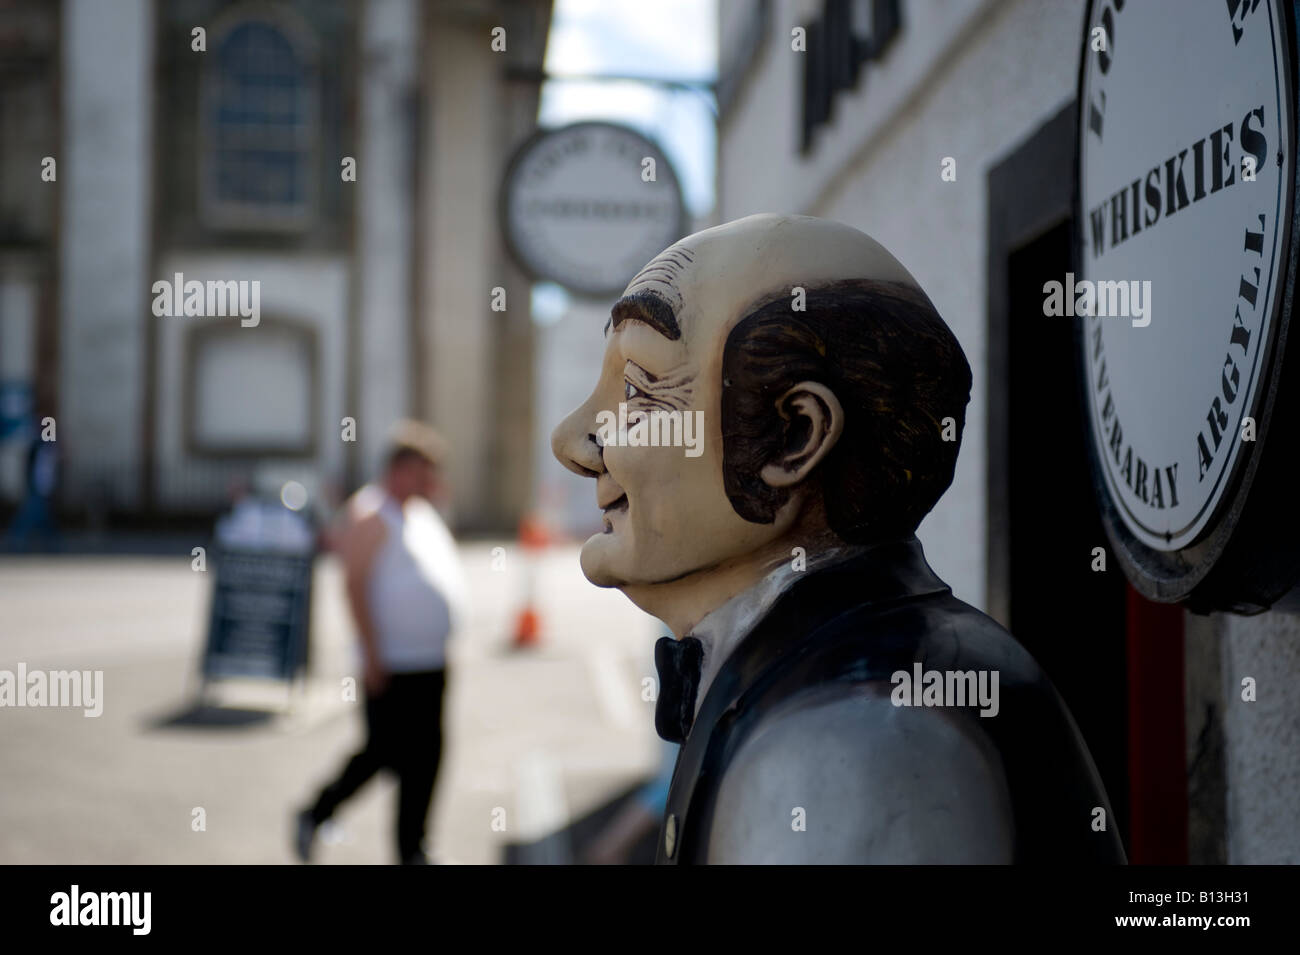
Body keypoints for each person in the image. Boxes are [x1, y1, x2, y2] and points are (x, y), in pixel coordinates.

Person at [551, 214, 1126, 864]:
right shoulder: (837, 679)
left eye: (636, 388)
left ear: (794, 434)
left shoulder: (852, 743)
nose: (572, 440)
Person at [295, 421, 466, 864]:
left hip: (430, 661)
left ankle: (413, 848)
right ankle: (317, 810)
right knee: (383, 753)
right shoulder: (371, 513)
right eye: (424, 471)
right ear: (401, 469)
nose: (432, 481)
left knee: (426, 757)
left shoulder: (419, 511)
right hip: (392, 661)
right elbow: (354, 586)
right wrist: (371, 655)